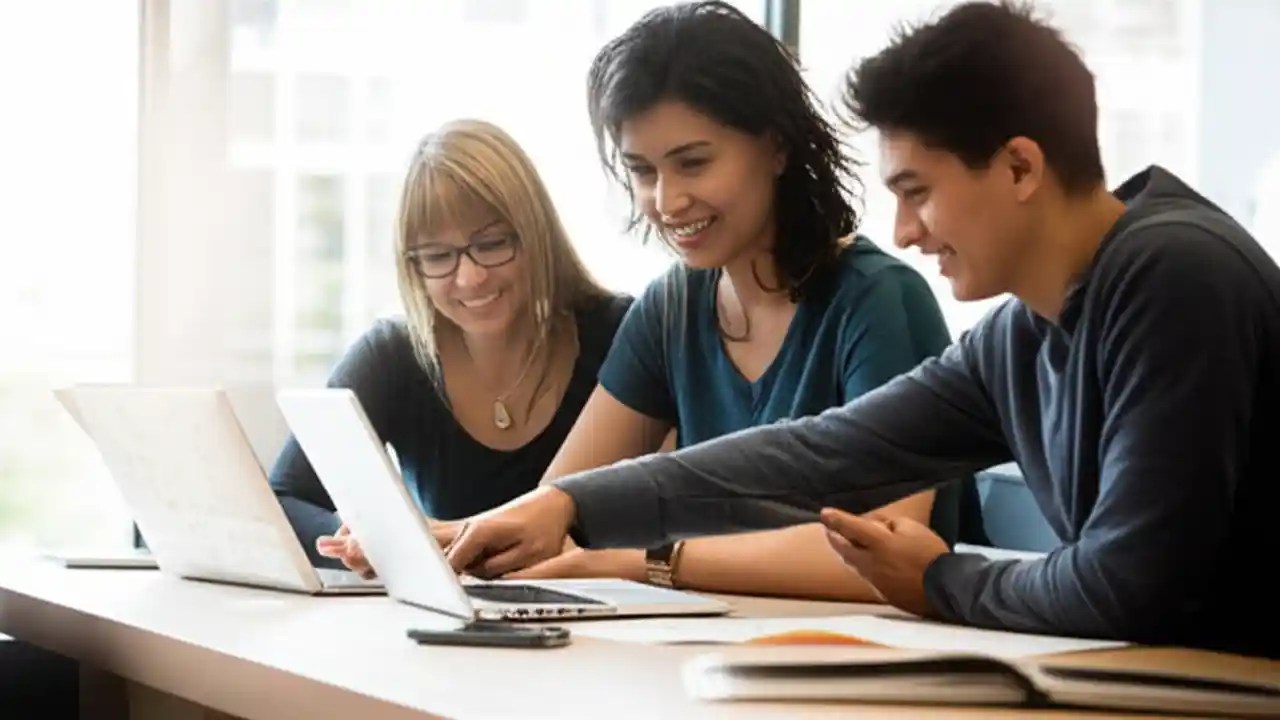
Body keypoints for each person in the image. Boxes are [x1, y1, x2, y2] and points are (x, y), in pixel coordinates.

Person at [435, 1, 1280, 659]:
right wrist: (569, 505)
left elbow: (1128, 586)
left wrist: (941, 580)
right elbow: (819, 456)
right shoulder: (1022, 334)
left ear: (1021, 166)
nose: (906, 229)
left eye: (918, 190)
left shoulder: (1174, 274)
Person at [422, 0, 972, 604]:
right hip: (720, 652)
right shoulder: (673, 306)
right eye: (642, 170)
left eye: (693, 162)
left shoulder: (880, 302)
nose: (667, 200)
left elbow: (878, 552)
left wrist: (645, 563)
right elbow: (560, 507)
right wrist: (445, 541)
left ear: (777, 146)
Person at [267, 119, 631, 568]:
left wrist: (424, 540)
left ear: (537, 234)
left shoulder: (620, 335)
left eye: (492, 244)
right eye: (439, 256)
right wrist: (363, 541)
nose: (470, 277)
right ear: (412, 266)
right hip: (449, 619)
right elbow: (285, 498)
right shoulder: (393, 356)